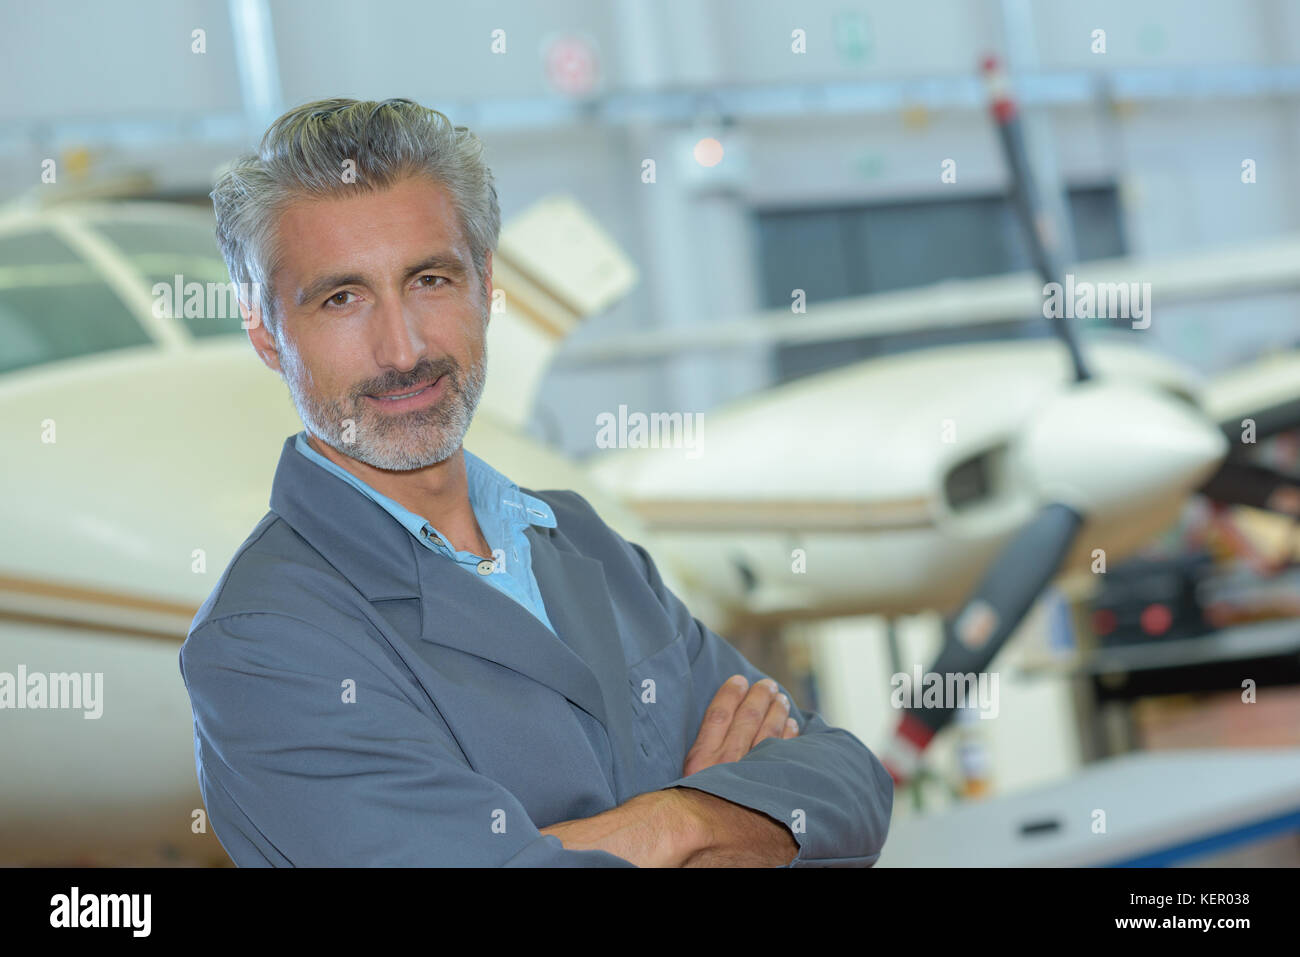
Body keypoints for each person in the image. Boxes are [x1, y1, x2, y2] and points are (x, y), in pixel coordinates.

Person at [180, 97, 893, 866]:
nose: (403, 347)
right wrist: (707, 817)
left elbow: (849, 782)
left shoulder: (580, 538)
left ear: (485, 284)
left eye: (429, 279)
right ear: (263, 329)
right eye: (341, 298)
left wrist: (661, 823)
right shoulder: (263, 642)